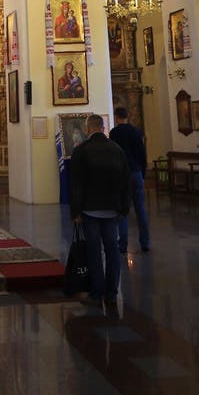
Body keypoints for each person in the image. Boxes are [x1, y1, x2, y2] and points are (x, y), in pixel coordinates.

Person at [69, 113, 130, 311]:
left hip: (90, 210)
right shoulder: (117, 149)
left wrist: (76, 211)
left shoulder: (81, 151)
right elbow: (125, 181)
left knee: (94, 251)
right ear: (103, 128)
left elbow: (76, 184)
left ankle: (97, 293)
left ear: (88, 129)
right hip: (112, 210)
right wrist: (123, 207)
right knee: (113, 251)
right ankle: (112, 294)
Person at [110, 106, 150, 253]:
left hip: (121, 174)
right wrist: (143, 173)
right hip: (136, 172)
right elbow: (142, 153)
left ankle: (123, 245)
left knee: (122, 210)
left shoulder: (114, 133)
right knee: (140, 209)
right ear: (127, 116)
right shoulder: (135, 131)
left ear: (116, 117)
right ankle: (145, 243)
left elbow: (113, 154)